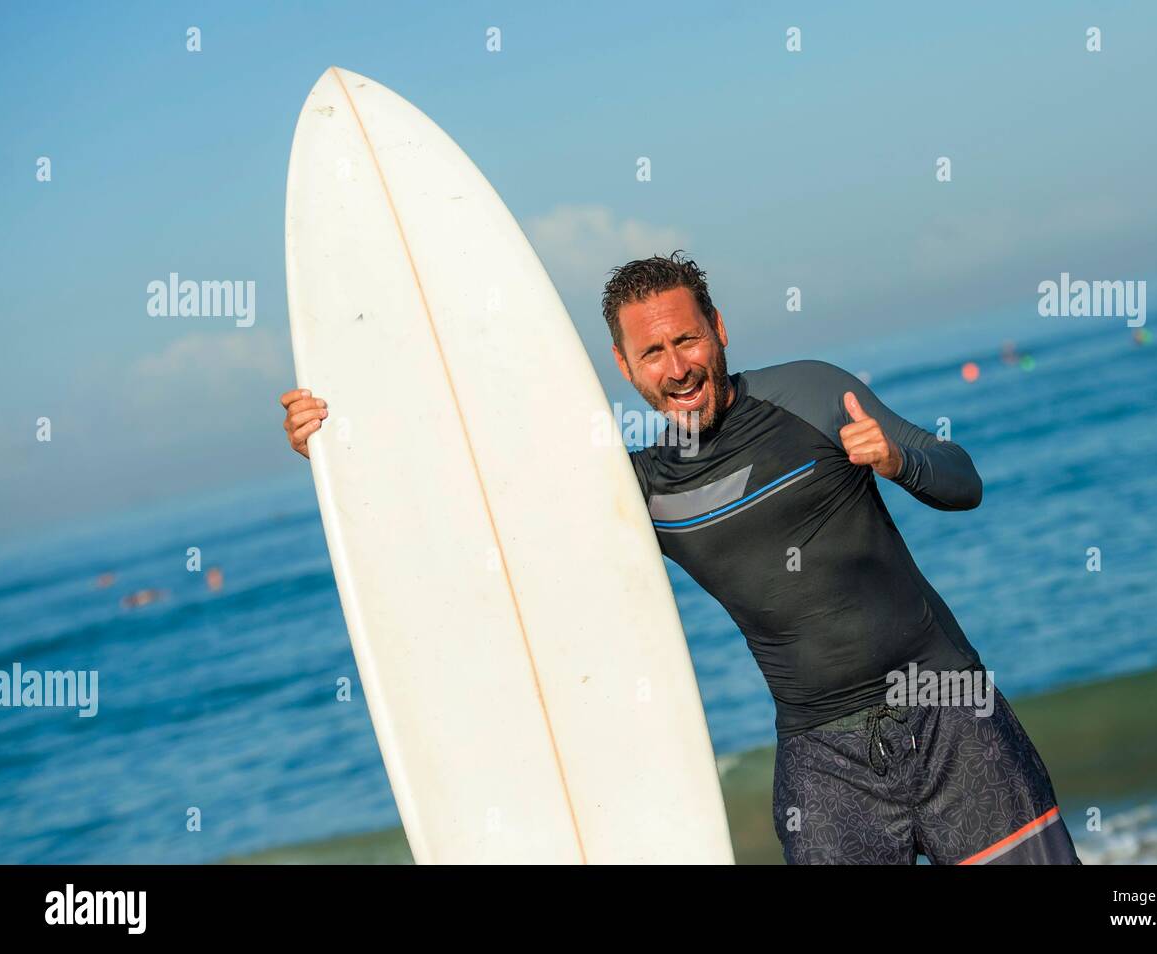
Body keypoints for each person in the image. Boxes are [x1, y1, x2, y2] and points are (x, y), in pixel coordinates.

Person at [279, 251, 1080, 865]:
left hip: (953, 718)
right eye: (653, 352)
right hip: (823, 765)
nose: (678, 366)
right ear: (625, 369)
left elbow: (963, 480)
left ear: (719, 330)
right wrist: (343, 448)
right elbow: (482, 502)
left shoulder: (810, 395)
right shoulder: (640, 491)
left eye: (687, 339)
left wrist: (900, 463)